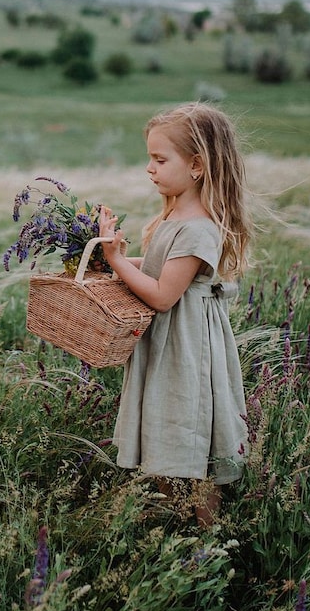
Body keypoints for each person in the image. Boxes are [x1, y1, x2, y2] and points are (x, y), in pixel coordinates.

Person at [98, 102, 252, 528]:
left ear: (197, 165)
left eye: (160, 159)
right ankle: (177, 528)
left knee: (190, 427)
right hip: (170, 342)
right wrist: (125, 257)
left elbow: (165, 295)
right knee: (168, 429)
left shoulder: (199, 226)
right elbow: (162, 273)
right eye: (150, 157)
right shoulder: (174, 216)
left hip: (186, 347)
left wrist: (116, 262)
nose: (150, 168)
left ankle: (207, 536)